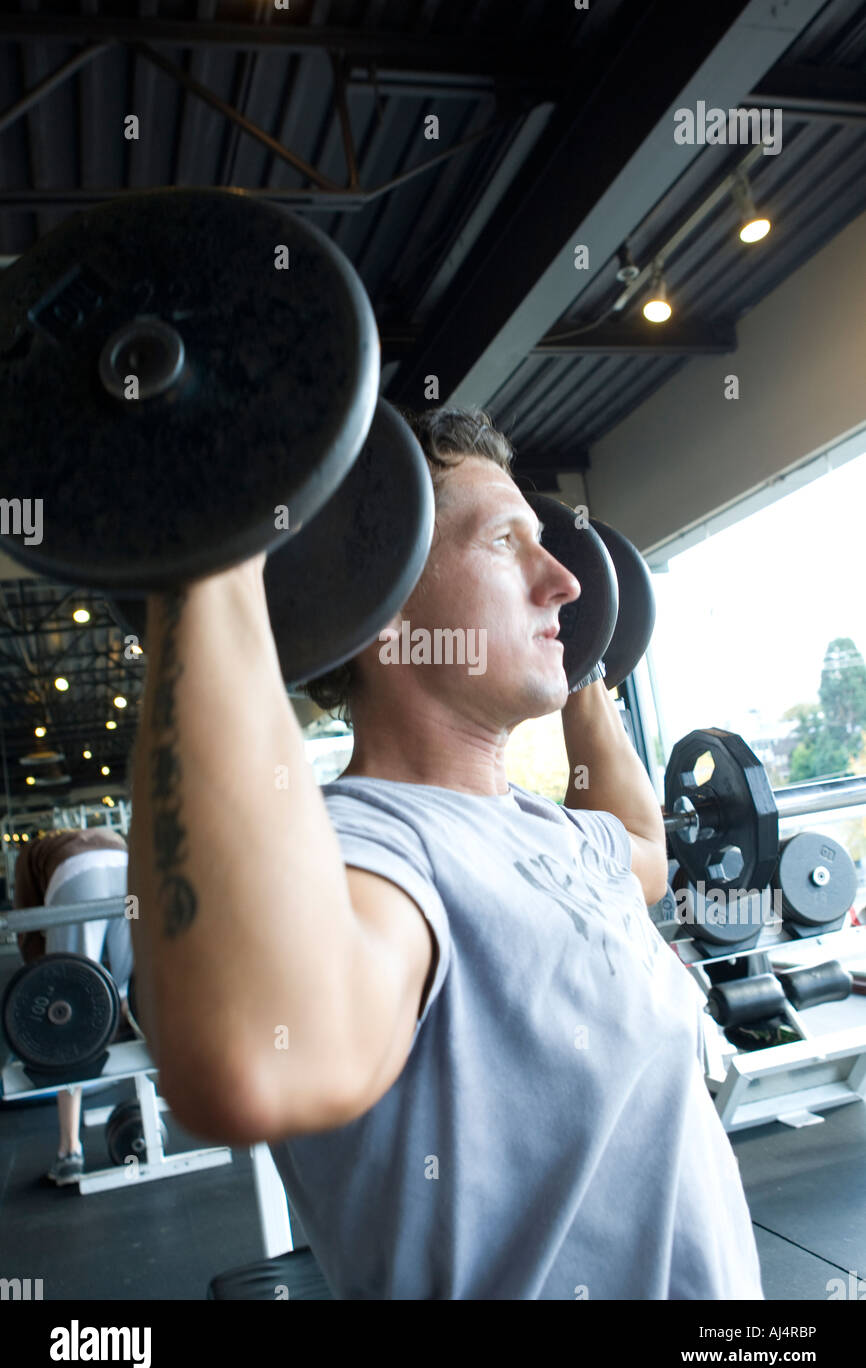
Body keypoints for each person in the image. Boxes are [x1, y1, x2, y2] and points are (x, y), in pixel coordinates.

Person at [128, 405, 765, 1300]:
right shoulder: (374, 853)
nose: (563, 583)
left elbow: (647, 853)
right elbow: (256, 1055)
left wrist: (585, 676)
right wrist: (210, 558)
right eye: (506, 543)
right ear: (378, 601)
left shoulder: (551, 830)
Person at [14, 827, 132, 1185]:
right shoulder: (100, 833)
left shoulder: (29, 856)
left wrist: (50, 994)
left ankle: (69, 1153)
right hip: (125, 868)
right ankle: (163, 1102)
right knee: (132, 994)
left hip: (76, 878)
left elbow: (30, 931)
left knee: (68, 1017)